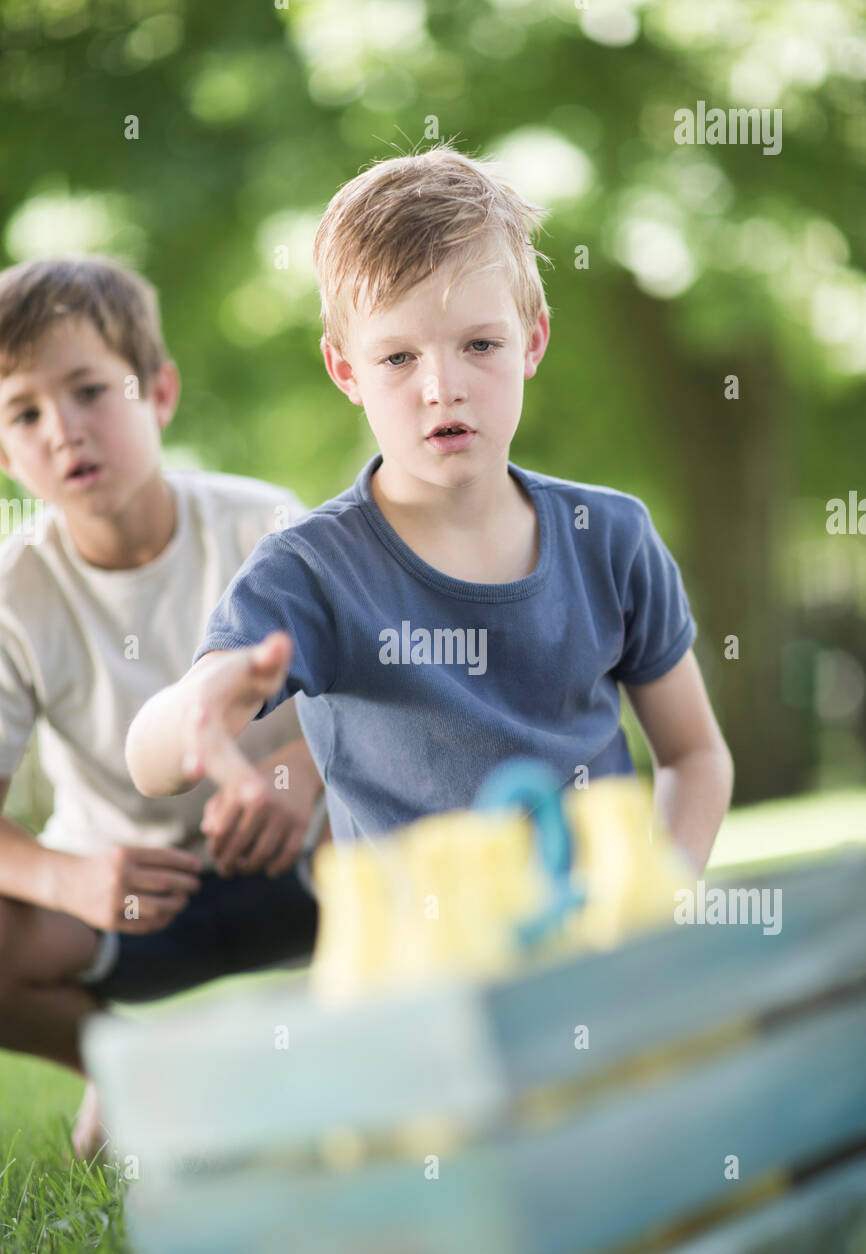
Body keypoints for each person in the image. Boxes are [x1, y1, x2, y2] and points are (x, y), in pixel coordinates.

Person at [126, 142, 734, 895]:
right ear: (345, 371)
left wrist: (664, 892)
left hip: (597, 966)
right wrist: (196, 708)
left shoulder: (611, 538)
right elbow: (150, 766)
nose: (442, 387)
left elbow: (694, 756)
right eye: (397, 359)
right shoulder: (310, 572)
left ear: (532, 341)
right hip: (426, 984)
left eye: (480, 345)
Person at [0, 258, 327, 1158]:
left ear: (161, 393)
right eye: (23, 412)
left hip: (296, 856)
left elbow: (387, 703)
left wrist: (301, 779)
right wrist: (69, 879)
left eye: (90, 391)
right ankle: (122, 1069)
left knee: (412, 828)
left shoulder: (266, 528)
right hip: (123, 899)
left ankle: (358, 1053)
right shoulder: (13, 593)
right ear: (2, 451)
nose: (63, 430)